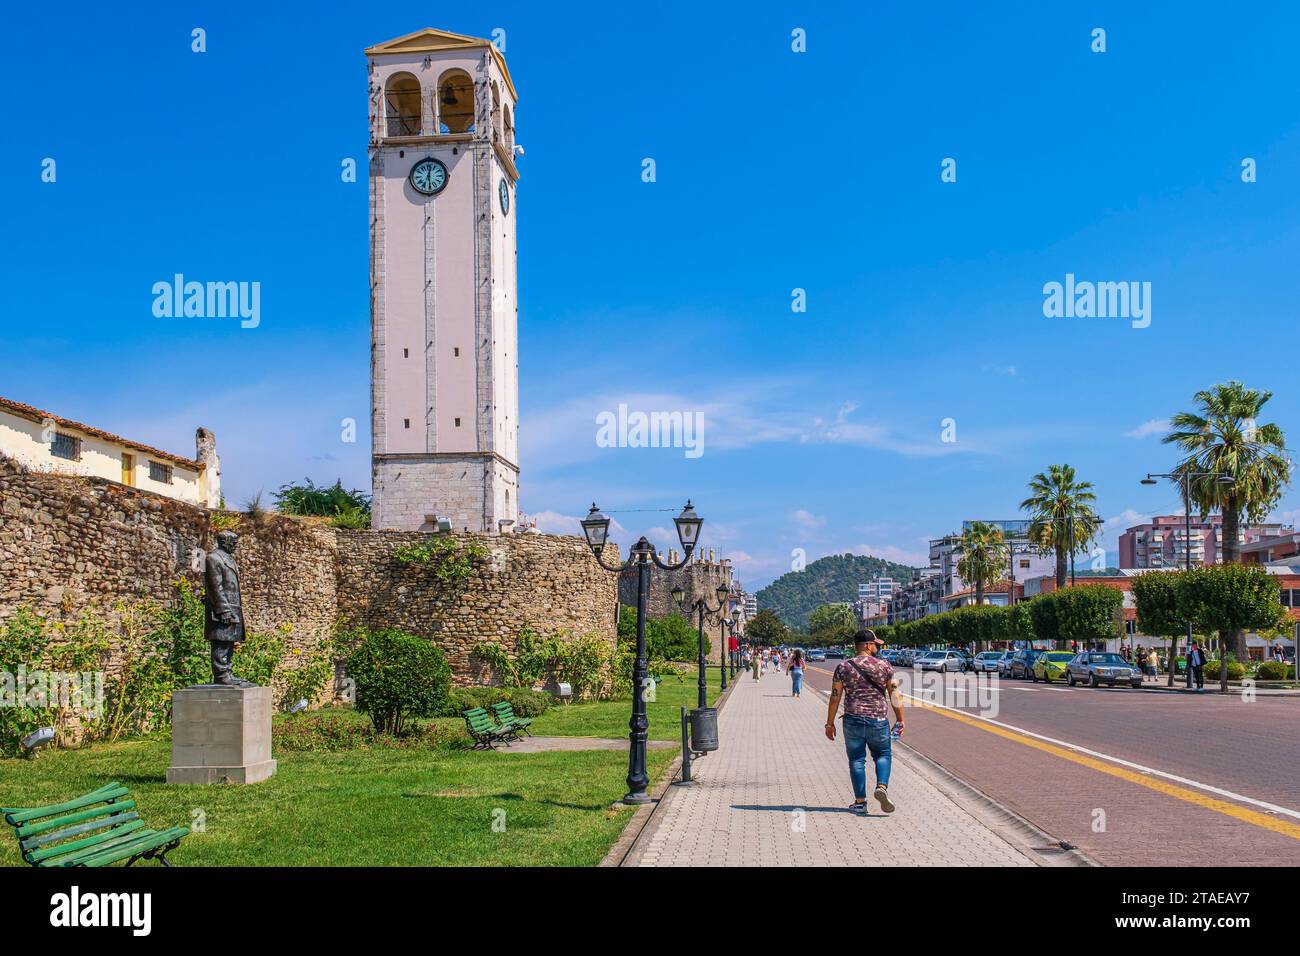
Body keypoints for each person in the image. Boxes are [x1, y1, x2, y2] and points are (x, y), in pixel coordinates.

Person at [824, 629, 904, 816]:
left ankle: (860, 803)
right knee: (883, 754)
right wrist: (900, 719)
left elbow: (835, 697)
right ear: (867, 645)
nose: (877, 647)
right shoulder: (884, 666)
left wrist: (829, 723)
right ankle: (882, 787)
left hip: (852, 720)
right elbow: (894, 694)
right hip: (878, 720)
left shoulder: (843, 667)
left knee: (856, 760)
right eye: (875, 644)